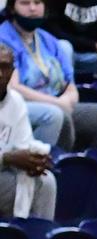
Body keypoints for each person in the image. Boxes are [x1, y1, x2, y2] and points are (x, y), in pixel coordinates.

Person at [0, 0, 97, 149]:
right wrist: (56, 103)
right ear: (12, 9)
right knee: (53, 115)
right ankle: (40, 168)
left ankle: (84, 169)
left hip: (58, 104)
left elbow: (70, 86)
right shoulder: (4, 39)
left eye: (37, 2)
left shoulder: (49, 40)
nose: (32, 8)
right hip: (18, 106)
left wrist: (68, 101)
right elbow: (13, 88)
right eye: (25, 3)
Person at [0, 46, 51, 221]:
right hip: (4, 169)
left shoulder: (16, 102)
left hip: (6, 171)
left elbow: (24, 144)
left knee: (47, 180)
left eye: (4, 67)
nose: (0, 74)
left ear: (12, 71)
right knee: (16, 187)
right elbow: (10, 157)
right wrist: (6, 158)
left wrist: (34, 160)